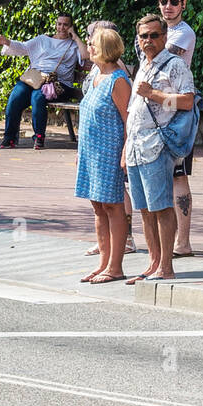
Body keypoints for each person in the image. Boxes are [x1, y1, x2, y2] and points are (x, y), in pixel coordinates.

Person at [123, 14, 196, 283]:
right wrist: (126, 146)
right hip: (136, 146)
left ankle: (166, 266)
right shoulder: (143, 65)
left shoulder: (175, 65)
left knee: (162, 207)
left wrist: (154, 94)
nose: (149, 40)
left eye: (154, 35)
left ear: (164, 37)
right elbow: (133, 109)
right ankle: (153, 263)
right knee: (144, 209)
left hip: (157, 146)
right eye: (144, 36)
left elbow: (187, 101)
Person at [74, 27, 132, 283]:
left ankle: (115, 267)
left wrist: (125, 152)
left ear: (106, 48)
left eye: (93, 43)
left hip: (109, 151)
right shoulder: (97, 74)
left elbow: (128, 119)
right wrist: (81, 152)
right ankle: (103, 264)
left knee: (112, 205)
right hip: (91, 151)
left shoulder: (118, 80)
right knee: (97, 206)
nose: (88, 46)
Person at [0, 12, 85, 149]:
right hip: (34, 78)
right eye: (59, 24)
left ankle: (39, 137)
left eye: (66, 25)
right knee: (15, 97)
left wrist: (75, 36)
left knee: (38, 96)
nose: (62, 28)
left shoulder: (73, 45)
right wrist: (7, 42)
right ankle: (9, 138)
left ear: (71, 26)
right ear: (55, 25)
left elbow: (86, 55)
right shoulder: (42, 39)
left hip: (57, 84)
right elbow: (23, 47)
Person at [156, 0, 197, 257]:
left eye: (173, 2)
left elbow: (161, 59)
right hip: (156, 108)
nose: (168, 6)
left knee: (178, 175)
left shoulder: (184, 33)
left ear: (183, 4)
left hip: (176, 108)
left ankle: (183, 243)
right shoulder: (159, 30)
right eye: (164, 2)